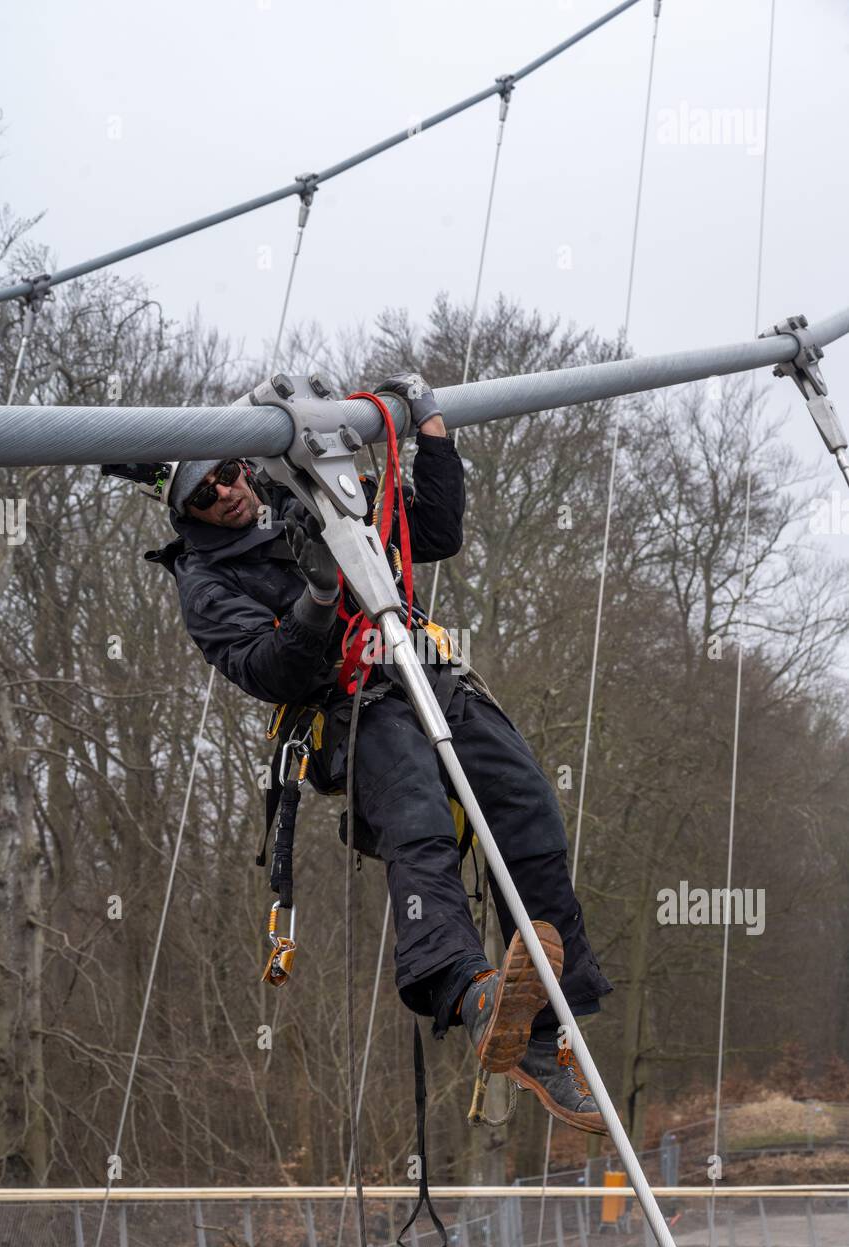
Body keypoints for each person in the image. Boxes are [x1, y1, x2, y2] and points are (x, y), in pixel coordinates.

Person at [143, 371, 612, 1133]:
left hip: (422, 669)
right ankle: (469, 991)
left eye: (229, 471)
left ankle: (548, 1031)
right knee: (419, 818)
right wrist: (318, 599)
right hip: (345, 707)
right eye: (205, 494)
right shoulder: (205, 583)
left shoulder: (303, 491)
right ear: (185, 511)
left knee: (528, 813)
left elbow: (432, 534)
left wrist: (429, 430)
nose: (227, 493)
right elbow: (269, 672)